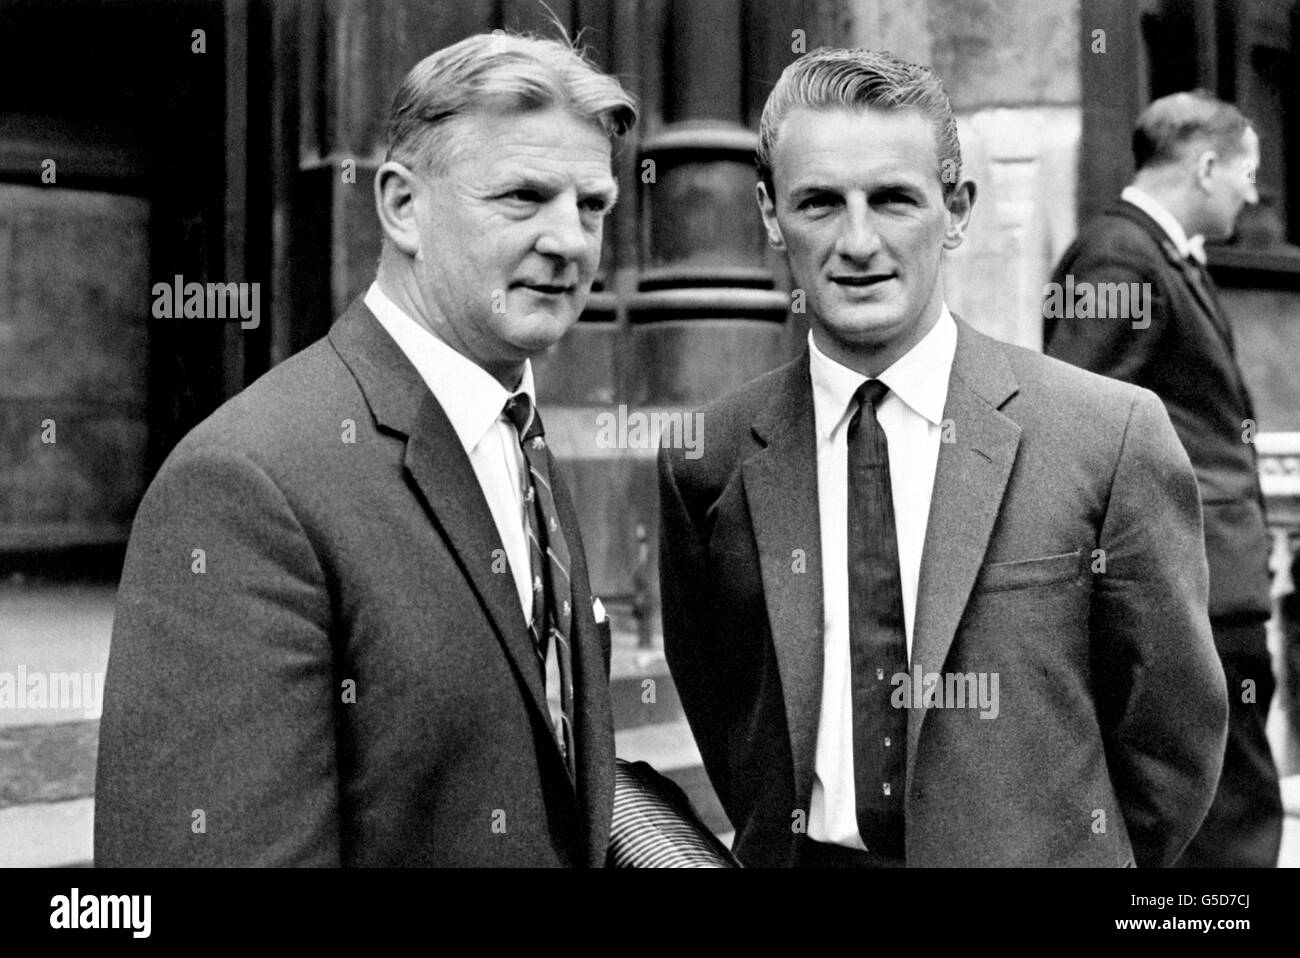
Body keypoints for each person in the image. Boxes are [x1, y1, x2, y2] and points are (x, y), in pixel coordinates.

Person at [658, 48, 1228, 868]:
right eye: (819, 202)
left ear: (955, 209)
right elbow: (725, 709)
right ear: (769, 213)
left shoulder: (1106, 434)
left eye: (894, 199)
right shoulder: (709, 458)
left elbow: (1170, 735)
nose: (859, 242)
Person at [94, 31, 636, 866]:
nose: (570, 241)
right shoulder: (245, 486)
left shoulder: (515, 437)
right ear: (401, 206)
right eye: (524, 197)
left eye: (592, 205)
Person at [1044, 90, 1282, 867]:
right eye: (1246, 172)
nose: (1254, 192)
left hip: (1218, 579)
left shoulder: (1166, 255)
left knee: (1232, 799)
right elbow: (1072, 422)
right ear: (1206, 166)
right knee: (1223, 809)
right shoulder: (1120, 256)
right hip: (1185, 585)